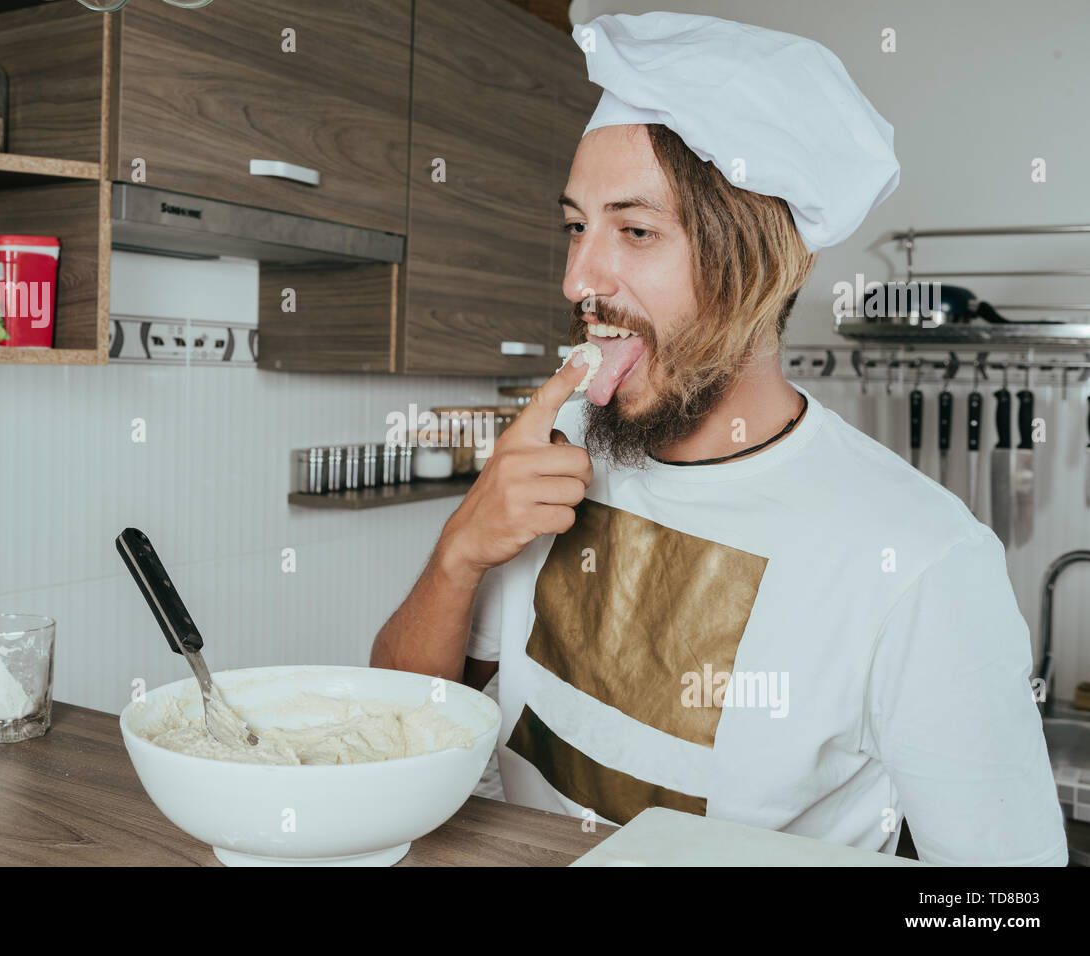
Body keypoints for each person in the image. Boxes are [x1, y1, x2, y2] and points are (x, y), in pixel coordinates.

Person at [371, 11, 1066, 865]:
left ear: (758, 268)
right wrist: (458, 554)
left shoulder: (923, 561)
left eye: (635, 231)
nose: (576, 279)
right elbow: (396, 736)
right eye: (575, 226)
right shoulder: (555, 448)